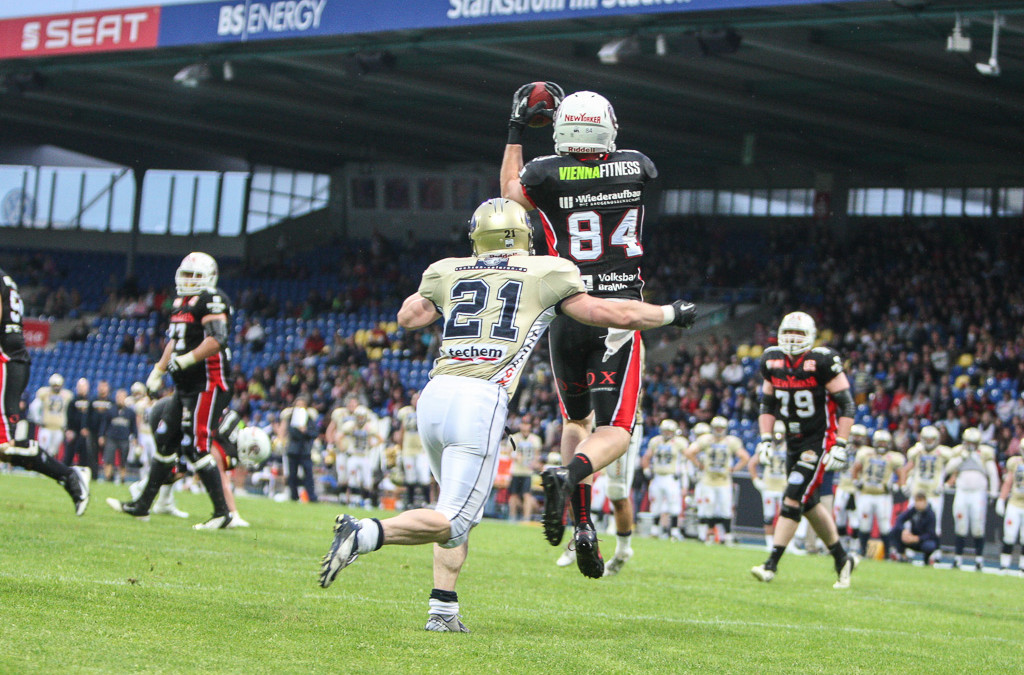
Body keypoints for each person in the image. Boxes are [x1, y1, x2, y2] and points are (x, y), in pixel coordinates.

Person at [318, 198, 695, 630]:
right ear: (524, 235)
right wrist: (669, 314)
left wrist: (446, 289)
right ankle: (365, 533)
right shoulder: (547, 270)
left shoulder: (447, 268)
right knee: (454, 519)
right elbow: (609, 312)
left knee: (451, 510)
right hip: (481, 398)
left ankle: (443, 609)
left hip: (435, 393)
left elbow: (407, 318)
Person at [501, 85, 673, 577]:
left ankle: (582, 524)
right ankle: (569, 473)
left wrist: (516, 129)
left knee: (573, 423)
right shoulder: (637, 165)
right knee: (615, 429)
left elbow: (510, 196)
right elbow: (613, 166)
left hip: (569, 310)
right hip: (617, 314)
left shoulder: (544, 174)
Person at [106, 252, 236, 529]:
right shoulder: (181, 303)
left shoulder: (212, 299)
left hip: (209, 383)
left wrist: (188, 359)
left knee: (198, 445)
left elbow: (217, 339)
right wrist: (158, 370)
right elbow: (175, 342)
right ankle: (142, 506)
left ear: (209, 278)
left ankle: (222, 514)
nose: (189, 281)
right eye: (186, 275)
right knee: (166, 440)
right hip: (186, 385)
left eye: (195, 276)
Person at [750, 312, 858, 589]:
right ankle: (841, 557)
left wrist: (841, 444)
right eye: (789, 332)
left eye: (799, 334)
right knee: (808, 504)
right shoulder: (772, 360)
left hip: (820, 439)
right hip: (792, 440)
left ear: (810, 336)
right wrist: (764, 439)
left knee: (793, 496)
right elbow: (767, 404)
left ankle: (771, 564)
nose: (793, 338)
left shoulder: (821, 360)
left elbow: (846, 405)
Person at [0, 267, 90, 514]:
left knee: (4, 446)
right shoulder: (5, 277)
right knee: (5, 450)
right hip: (10, 358)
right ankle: (68, 476)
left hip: (5, 361)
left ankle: (70, 475)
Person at [126, 382, 188, 519]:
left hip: (173, 426)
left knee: (176, 468)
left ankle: (164, 502)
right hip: (164, 426)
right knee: (172, 466)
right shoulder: (149, 404)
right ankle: (142, 487)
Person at [686, 416, 749, 545]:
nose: (719, 430)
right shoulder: (706, 440)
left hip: (724, 480)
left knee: (725, 509)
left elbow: (745, 457)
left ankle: (726, 536)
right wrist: (699, 464)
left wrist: (734, 468)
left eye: (721, 428)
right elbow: (690, 452)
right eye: (717, 428)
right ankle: (704, 536)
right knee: (707, 507)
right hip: (708, 479)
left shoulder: (731, 442)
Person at [945, 427, 999, 570]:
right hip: (962, 491)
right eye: (968, 442)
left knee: (978, 526)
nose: (970, 445)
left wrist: (994, 492)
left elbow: (992, 473)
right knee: (960, 524)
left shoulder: (984, 453)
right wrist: (961, 458)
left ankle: (979, 560)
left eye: (973, 443)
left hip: (978, 493)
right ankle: (957, 559)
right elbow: (948, 469)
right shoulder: (959, 452)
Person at [851, 428, 905, 559]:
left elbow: (901, 473)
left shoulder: (893, 457)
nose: (882, 445)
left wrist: (898, 485)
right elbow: (855, 469)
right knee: (864, 524)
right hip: (866, 493)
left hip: (883, 495)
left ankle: (886, 554)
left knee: (884, 525)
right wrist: (856, 480)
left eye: (885, 443)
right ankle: (862, 551)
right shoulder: (866, 453)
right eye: (880, 442)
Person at [903, 425, 952, 536]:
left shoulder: (944, 453)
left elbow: (954, 469)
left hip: (934, 491)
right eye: (927, 439)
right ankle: (910, 545)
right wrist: (905, 483)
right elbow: (907, 468)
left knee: (935, 523)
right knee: (911, 521)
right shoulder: (916, 451)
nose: (929, 442)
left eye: (931, 439)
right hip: (918, 490)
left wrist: (947, 484)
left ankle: (934, 549)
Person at [748, 419, 789, 550]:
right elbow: (752, 463)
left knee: (787, 516)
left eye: (780, 433)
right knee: (769, 516)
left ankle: (785, 543)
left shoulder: (788, 447)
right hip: (769, 486)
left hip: (783, 486)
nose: (778, 436)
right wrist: (756, 479)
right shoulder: (765, 446)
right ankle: (769, 543)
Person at [644, 419, 687, 540]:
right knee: (656, 503)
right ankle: (655, 529)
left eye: (670, 431)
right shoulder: (655, 441)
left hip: (671, 477)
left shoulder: (679, 442)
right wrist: (646, 469)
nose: (667, 433)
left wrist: (684, 476)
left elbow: (687, 456)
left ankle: (674, 530)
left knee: (674, 504)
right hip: (658, 476)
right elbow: (647, 457)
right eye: (665, 430)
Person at [832, 424, 867, 550]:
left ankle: (854, 543)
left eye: (859, 436)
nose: (857, 438)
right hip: (843, 485)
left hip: (857, 489)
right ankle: (841, 542)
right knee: (839, 514)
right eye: (855, 435)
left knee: (855, 517)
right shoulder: (845, 449)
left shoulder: (866, 452)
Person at [281, 395, 319, 503]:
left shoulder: (309, 418)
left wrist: (305, 431)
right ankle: (293, 496)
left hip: (305, 451)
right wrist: (302, 432)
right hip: (293, 450)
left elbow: (314, 433)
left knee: (308, 475)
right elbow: (292, 432)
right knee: (292, 475)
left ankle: (312, 497)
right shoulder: (290, 418)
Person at [395, 392, 429, 509]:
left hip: (421, 450)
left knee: (423, 476)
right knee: (410, 476)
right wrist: (400, 446)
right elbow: (402, 430)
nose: (416, 401)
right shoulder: (406, 413)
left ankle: (427, 502)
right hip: (408, 449)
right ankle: (409, 502)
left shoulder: (426, 412)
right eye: (414, 399)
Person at [507, 417, 543, 523]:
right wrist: (515, 456)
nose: (525, 426)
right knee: (513, 495)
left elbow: (537, 455)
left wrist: (534, 463)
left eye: (527, 424)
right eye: (523, 423)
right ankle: (512, 517)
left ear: (530, 426)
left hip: (528, 471)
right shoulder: (515, 438)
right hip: (516, 470)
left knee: (527, 495)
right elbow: (509, 452)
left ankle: (526, 518)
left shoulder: (535, 439)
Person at [997, 440, 1024, 574]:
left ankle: (1022, 567)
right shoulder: (1015, 462)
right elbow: (1008, 482)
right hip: (1014, 503)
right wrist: (1001, 499)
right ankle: (1004, 565)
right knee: (1009, 536)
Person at [889, 492, 940, 564]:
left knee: (929, 546)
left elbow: (931, 534)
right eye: (917, 501)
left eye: (920, 501)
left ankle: (927, 559)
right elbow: (899, 519)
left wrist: (917, 538)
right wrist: (904, 531)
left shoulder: (930, 514)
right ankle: (902, 555)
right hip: (912, 538)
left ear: (925, 502)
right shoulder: (913, 510)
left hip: (923, 540)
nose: (918, 504)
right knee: (894, 531)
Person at [31, 373, 72, 461]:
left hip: (59, 428)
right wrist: (37, 419)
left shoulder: (67, 395)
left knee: (53, 451)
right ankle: (40, 466)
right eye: (55, 385)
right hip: (46, 427)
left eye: (58, 385)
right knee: (42, 448)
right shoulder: (44, 393)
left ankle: (48, 468)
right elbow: (34, 406)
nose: (56, 387)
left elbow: (70, 411)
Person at [99, 388, 137, 484]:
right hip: (112, 438)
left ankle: (122, 478)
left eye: (122, 397)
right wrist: (101, 435)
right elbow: (104, 424)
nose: (120, 399)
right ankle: (108, 477)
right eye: (118, 397)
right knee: (109, 459)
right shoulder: (110, 410)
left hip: (124, 438)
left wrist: (135, 437)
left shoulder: (130, 412)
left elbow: (133, 426)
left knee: (123, 460)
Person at [87, 380, 112, 479]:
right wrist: (86, 427)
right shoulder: (93, 401)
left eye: (104, 386)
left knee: (108, 456)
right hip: (93, 432)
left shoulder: (111, 402)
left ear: (108, 388)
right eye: (101, 386)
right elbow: (87, 416)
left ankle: (109, 476)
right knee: (93, 455)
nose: (102, 389)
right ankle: (94, 476)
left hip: (107, 433)